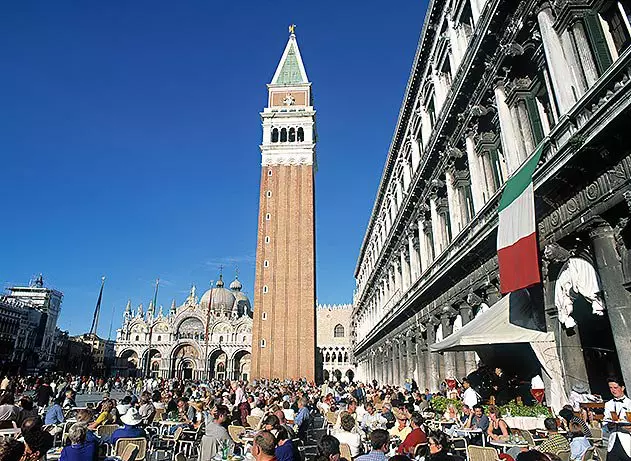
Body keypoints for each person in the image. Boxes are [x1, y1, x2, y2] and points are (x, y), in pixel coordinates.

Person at [604, 377, 631, 461]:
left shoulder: (629, 403)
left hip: (627, 441)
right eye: (610, 388)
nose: (613, 390)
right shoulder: (608, 404)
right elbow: (605, 424)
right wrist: (609, 425)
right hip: (613, 441)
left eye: (615, 388)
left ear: (622, 388)